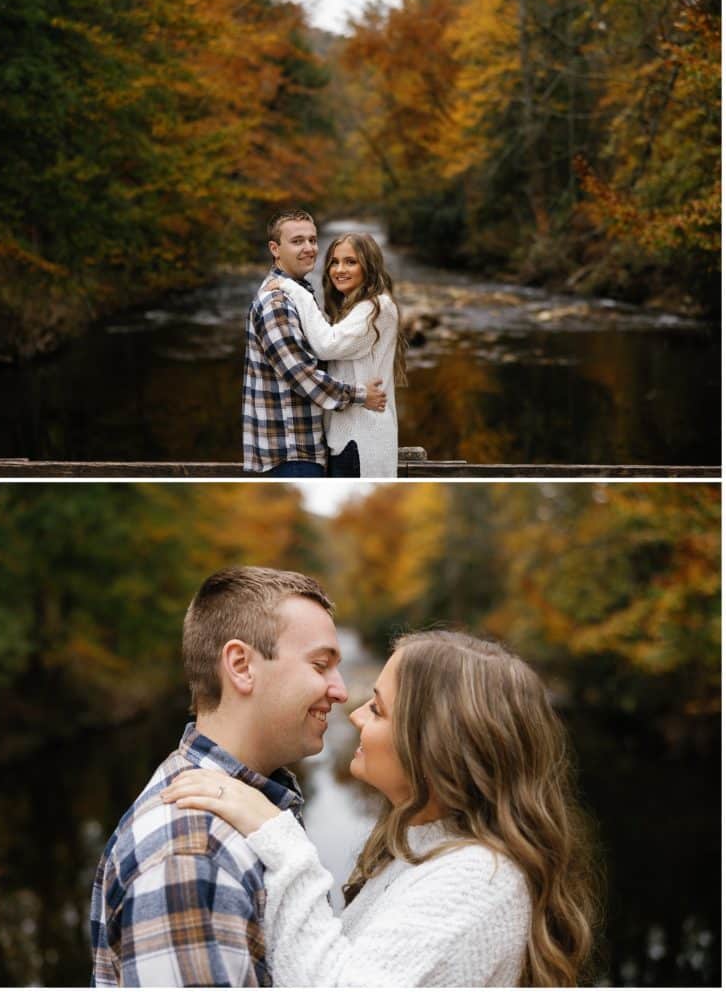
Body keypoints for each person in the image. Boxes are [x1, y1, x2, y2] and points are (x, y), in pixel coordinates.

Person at [162, 630, 602, 987]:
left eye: (377, 708)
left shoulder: (478, 880)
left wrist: (278, 837)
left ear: (435, 747)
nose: (354, 716)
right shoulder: (434, 848)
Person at [90, 566, 348, 987]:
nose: (340, 690)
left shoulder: (244, 811)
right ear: (241, 665)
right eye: (320, 665)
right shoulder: (193, 855)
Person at [242, 209, 387, 477]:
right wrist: (360, 395)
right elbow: (302, 376)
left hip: (302, 448)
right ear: (275, 249)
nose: (309, 248)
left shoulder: (297, 294)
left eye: (312, 240)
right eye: (297, 241)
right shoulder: (277, 303)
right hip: (290, 452)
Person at [267, 232, 405, 478]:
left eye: (351, 262)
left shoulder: (376, 307)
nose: (339, 270)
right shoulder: (354, 306)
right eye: (334, 262)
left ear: (369, 266)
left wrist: (294, 290)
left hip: (361, 439)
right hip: (346, 436)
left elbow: (327, 345)